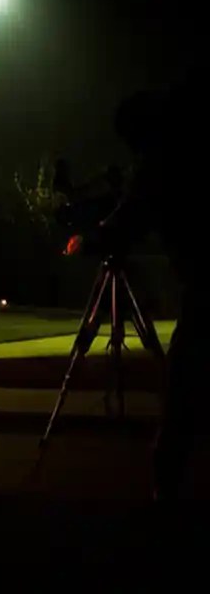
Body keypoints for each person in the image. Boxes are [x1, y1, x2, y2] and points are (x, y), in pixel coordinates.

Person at [107, 72, 206, 501]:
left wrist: (91, 237)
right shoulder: (185, 148)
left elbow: (127, 224)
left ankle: (166, 489)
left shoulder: (160, 164)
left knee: (184, 387)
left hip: (204, 291)